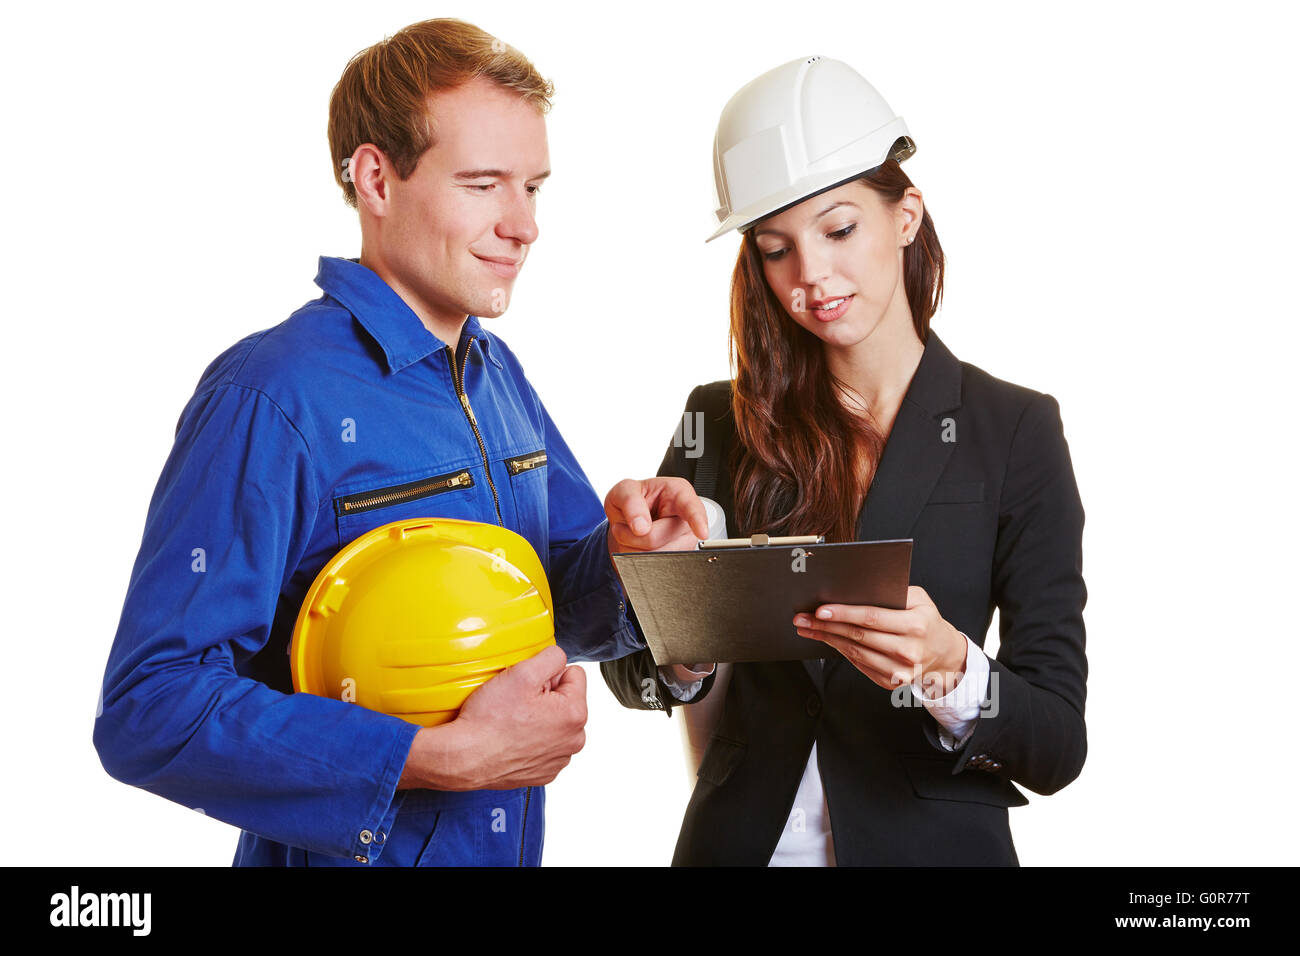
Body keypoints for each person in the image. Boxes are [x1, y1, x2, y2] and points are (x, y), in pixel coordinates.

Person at [93, 17, 706, 867]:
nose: (523, 225)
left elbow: (550, 604)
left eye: (534, 187)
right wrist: (425, 761)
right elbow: (149, 705)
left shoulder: (497, 378)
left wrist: (636, 559)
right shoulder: (272, 397)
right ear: (377, 179)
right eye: (484, 184)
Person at [602, 56, 1087, 866]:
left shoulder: (1015, 429)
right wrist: (681, 623)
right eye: (774, 249)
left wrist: (951, 670)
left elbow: (1058, 743)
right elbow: (633, 674)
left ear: (906, 214)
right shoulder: (716, 421)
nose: (811, 277)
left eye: (838, 229)